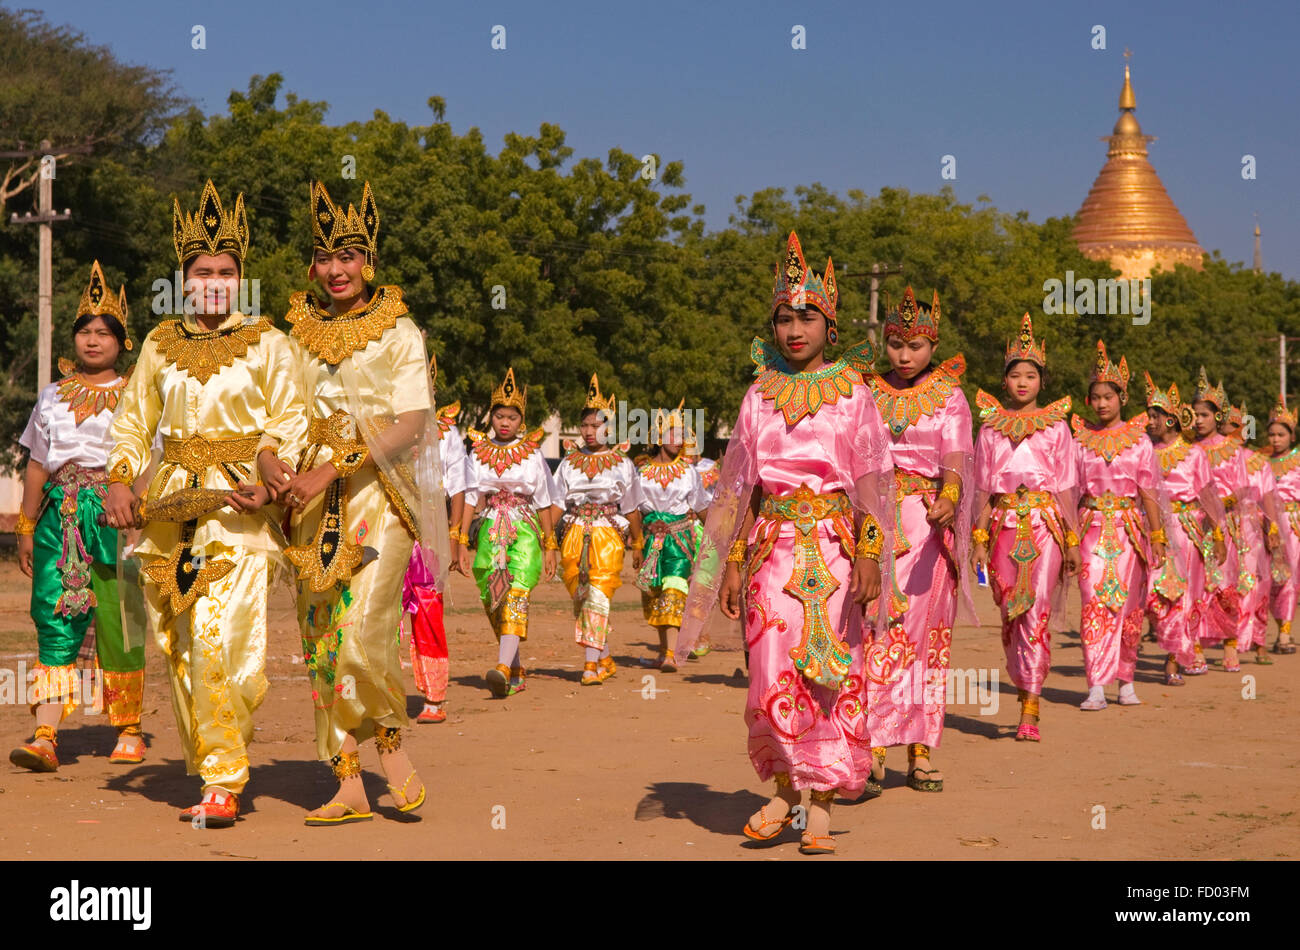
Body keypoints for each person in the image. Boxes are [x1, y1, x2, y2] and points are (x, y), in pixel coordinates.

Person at [679, 231, 892, 855]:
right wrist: (734, 564)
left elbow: (876, 487)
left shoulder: (854, 394)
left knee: (829, 669)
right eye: (783, 317)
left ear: (830, 323)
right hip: (772, 551)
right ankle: (781, 788)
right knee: (769, 668)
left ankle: (820, 803)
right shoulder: (757, 396)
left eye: (806, 316)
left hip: (834, 549)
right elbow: (739, 490)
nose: (794, 328)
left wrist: (873, 555)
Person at [103, 180, 308, 827]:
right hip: (171, 514)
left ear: (240, 277)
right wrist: (119, 477)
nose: (213, 281)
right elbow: (134, 423)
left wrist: (272, 470)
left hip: (240, 509)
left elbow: (291, 416)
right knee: (183, 644)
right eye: (202, 272)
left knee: (224, 638)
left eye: (225, 271)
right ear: (185, 278)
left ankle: (223, 775)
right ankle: (213, 758)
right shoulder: (160, 342)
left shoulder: (271, 341)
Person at [281, 180, 444, 824]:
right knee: (321, 639)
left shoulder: (399, 330)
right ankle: (347, 781)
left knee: (362, 628)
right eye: (325, 257)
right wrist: (277, 467)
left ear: (367, 257)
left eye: (348, 256)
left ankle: (393, 745)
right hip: (309, 504)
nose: (336, 270)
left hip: (378, 493)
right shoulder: (295, 333)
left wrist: (336, 468)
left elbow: (411, 421)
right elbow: (282, 415)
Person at [9, 261, 147, 772]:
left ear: (122, 341)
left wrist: (137, 511)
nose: (93, 341)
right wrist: (26, 527)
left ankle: (129, 726)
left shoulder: (138, 393)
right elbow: (37, 466)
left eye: (104, 333)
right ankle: (46, 732)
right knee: (54, 615)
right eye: (85, 332)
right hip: (58, 520)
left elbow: (150, 461)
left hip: (116, 516)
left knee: (119, 618)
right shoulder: (50, 396)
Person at [866, 286, 974, 791]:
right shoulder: (864, 390)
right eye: (895, 345)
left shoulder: (950, 395)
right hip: (870, 523)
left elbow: (956, 457)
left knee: (925, 639)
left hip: (926, 524)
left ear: (934, 346)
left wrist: (950, 498)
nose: (905, 356)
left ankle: (920, 750)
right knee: (870, 631)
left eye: (916, 346)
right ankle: (871, 743)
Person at [971, 315, 1079, 742]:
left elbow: (1067, 486)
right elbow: (981, 487)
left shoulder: (1057, 427)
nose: (1021, 381)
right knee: (1010, 611)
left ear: (1042, 381)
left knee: (1035, 608)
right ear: (1004, 381)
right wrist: (978, 540)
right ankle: (1021, 681)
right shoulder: (990, 428)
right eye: (1014, 374)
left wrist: (1072, 538)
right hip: (1002, 526)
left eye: (1030, 375)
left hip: (1044, 525)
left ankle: (1030, 705)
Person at [1070, 341, 1168, 710]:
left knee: (1129, 607)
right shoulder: (1079, 439)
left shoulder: (1140, 441)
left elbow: (1149, 491)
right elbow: (1071, 490)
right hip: (1089, 527)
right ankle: (1096, 684)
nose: (1101, 403)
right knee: (1093, 602)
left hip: (1130, 530)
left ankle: (1125, 680)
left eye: (1108, 396)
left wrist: (1157, 535)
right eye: (1095, 397)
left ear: (1122, 397)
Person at [456, 368, 561, 697]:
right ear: (491, 417)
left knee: (515, 593)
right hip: (489, 530)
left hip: (524, 529)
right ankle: (513, 669)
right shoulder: (478, 451)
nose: (505, 422)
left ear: (521, 420)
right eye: (499, 416)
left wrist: (550, 545)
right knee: (493, 597)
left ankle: (501, 666)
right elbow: (470, 498)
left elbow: (544, 501)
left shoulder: (532, 452)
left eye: (512, 417)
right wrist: (461, 541)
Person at [555, 374, 643, 684]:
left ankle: (590, 665)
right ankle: (603, 654)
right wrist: (548, 540)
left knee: (598, 594)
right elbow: (555, 502)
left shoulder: (622, 462)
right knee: (581, 597)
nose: (590, 431)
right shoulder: (568, 462)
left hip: (607, 533)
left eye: (597, 425)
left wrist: (638, 543)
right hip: (574, 532)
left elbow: (631, 506)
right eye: (586, 425)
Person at [1142, 373, 1227, 686]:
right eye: (1149, 414)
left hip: (1187, 532)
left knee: (1183, 597)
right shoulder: (1143, 451)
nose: (1149, 420)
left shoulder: (1194, 454)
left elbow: (1209, 498)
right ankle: (1169, 643)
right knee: (1151, 594)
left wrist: (1217, 536)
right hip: (1152, 529)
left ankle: (1172, 659)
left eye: (1155, 416)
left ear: (1171, 420)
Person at [404, 353, 467, 724]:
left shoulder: (448, 432)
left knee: (428, 608)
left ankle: (433, 696)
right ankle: (381, 695)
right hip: (390, 520)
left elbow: (458, 487)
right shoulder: (386, 425)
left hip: (429, 526)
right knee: (380, 609)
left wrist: (455, 538)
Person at [635, 400, 708, 672]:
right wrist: (643, 528)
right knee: (655, 593)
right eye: (673, 434)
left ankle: (669, 653)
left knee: (674, 590)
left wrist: (719, 532)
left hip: (679, 542)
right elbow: (634, 508)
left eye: (682, 435)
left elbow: (701, 506)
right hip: (652, 544)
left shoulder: (689, 472)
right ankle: (665, 649)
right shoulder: (642, 473)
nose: (679, 440)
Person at [1229, 401, 1289, 665]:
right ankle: (1231, 643)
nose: (1231, 433)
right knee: (1231, 586)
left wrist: (1272, 529)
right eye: (1226, 428)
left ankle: (1259, 642)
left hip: (1253, 529)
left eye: (1237, 427)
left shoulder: (1257, 461)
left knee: (1259, 584)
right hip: (1225, 529)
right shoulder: (1214, 459)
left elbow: (1267, 497)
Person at [1265, 396, 1300, 654]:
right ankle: (1277, 629)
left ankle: (1285, 634)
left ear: (1291, 435)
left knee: (1288, 577)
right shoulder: (1261, 462)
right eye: (1272, 434)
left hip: (1293, 525)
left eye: (1281, 434)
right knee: (1272, 580)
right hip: (1267, 526)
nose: (1276, 439)